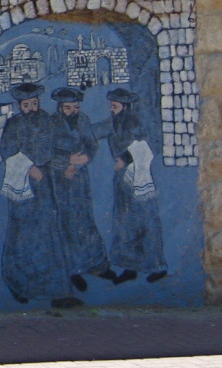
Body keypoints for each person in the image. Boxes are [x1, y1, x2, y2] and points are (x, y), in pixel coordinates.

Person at [0, 82, 80, 308]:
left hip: (44, 186)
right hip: (22, 185)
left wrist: (68, 160)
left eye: (34, 103)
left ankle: (58, 292)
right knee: (22, 237)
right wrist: (28, 167)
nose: (31, 108)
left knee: (49, 235)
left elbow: (55, 149)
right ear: (20, 105)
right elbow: (7, 150)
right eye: (26, 105)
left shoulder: (47, 121)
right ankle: (19, 285)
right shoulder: (13, 124)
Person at [48, 87, 116, 291]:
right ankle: (73, 269)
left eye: (75, 107)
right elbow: (46, 151)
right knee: (66, 223)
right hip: (60, 179)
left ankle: (96, 265)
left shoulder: (83, 119)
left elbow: (91, 143)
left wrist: (86, 158)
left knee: (85, 220)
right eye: (68, 107)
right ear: (60, 107)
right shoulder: (51, 124)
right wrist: (65, 162)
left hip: (79, 177)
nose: (72, 111)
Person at [105, 87, 167, 284]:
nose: (111, 109)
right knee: (125, 223)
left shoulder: (134, 121)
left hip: (138, 176)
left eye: (115, 106)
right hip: (123, 179)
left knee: (146, 222)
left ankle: (157, 266)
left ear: (124, 106)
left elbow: (144, 146)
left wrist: (124, 158)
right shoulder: (115, 121)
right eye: (111, 106)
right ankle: (130, 267)